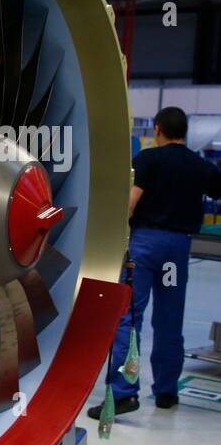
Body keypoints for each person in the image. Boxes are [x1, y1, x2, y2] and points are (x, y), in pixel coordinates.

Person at [90, 106, 221, 420]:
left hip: (145, 248)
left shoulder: (148, 160)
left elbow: (132, 202)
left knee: (129, 317)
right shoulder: (199, 165)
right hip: (176, 252)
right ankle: (166, 391)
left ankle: (123, 394)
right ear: (184, 132)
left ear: (158, 129)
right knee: (169, 318)